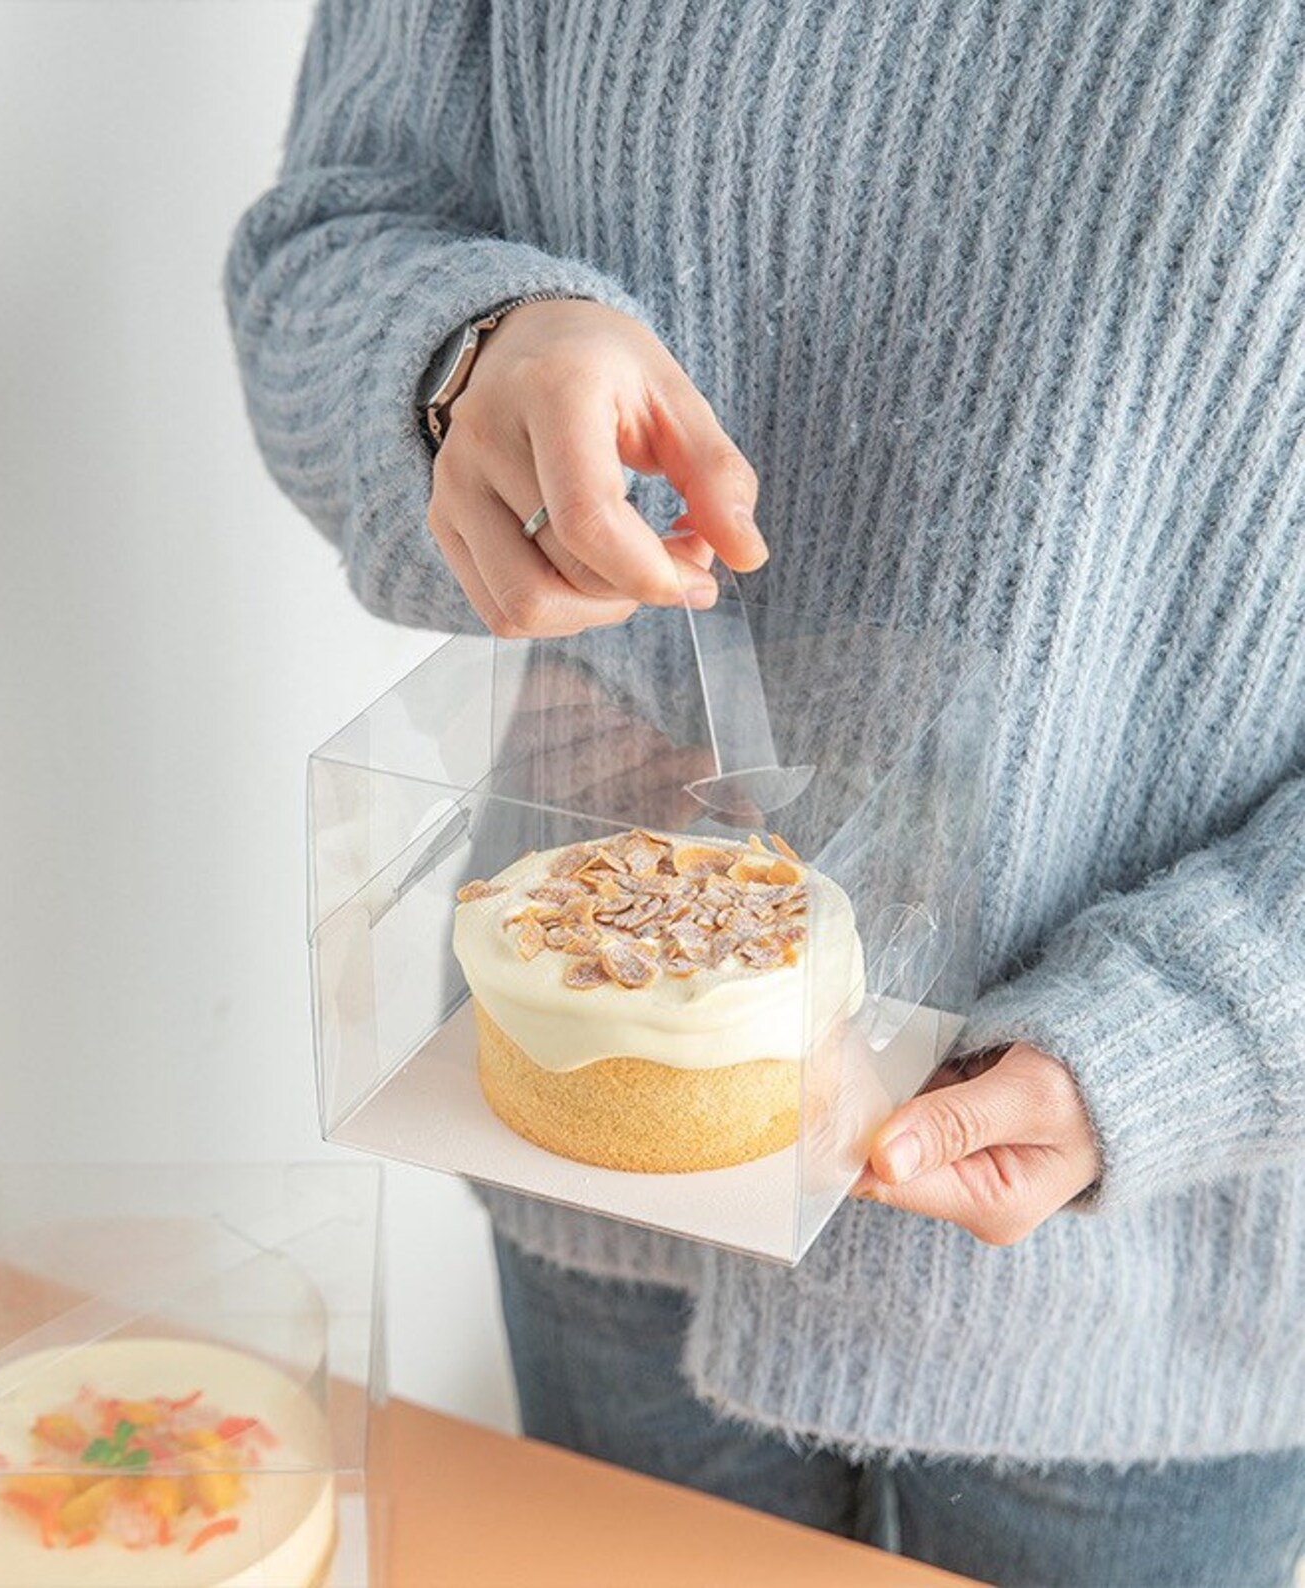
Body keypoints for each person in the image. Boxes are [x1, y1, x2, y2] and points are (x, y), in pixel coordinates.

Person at [225, 3, 1305, 1583]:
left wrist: (1197, 1035)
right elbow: (325, 242)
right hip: (597, 1186)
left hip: (1142, 1292)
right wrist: (462, 361)